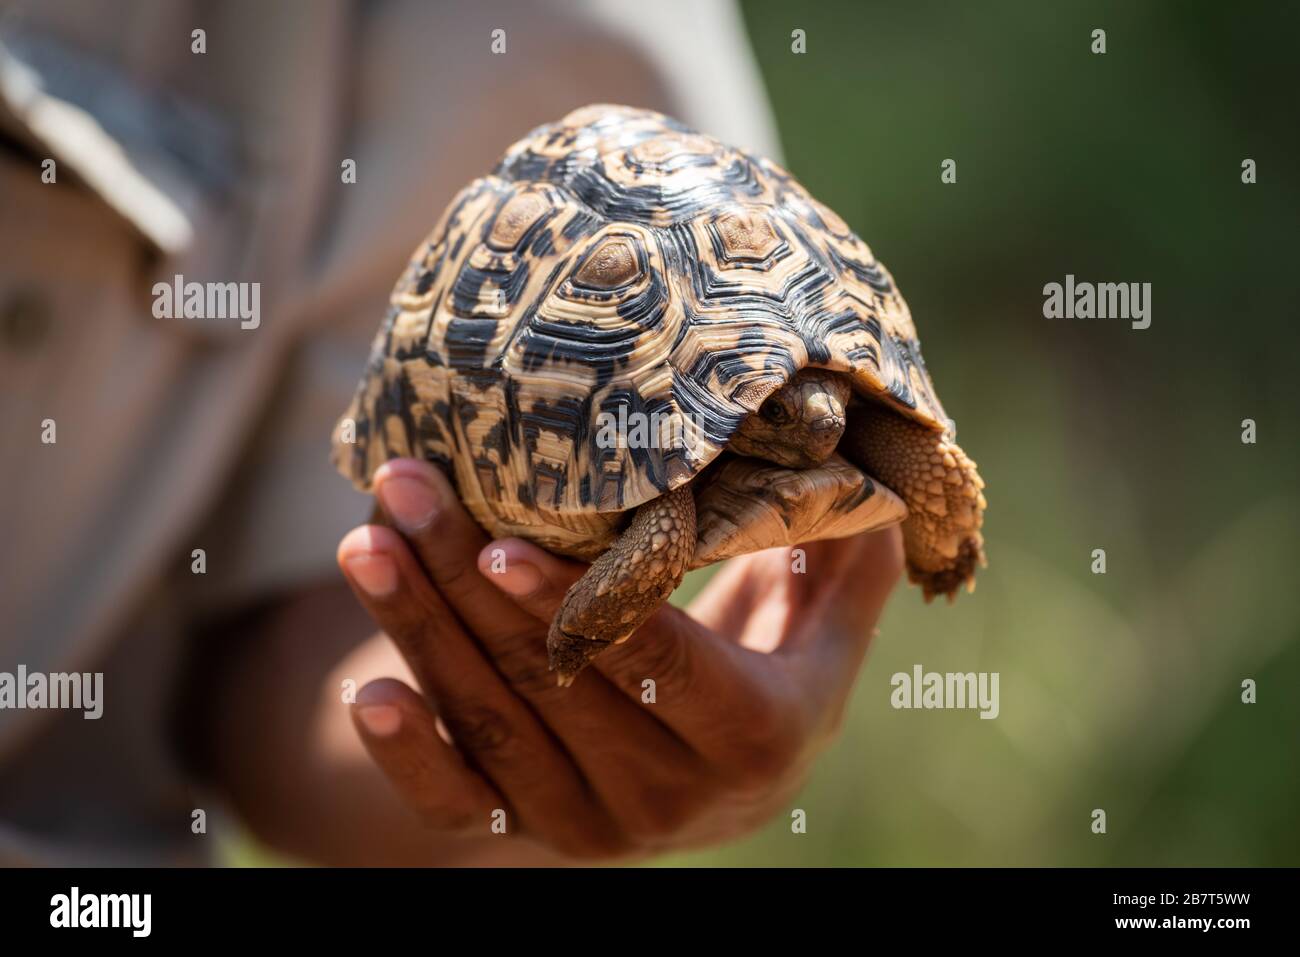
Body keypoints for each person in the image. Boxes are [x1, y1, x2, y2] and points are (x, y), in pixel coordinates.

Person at [0, 0, 903, 865]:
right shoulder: (667, 490)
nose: (820, 428)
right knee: (661, 523)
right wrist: (583, 629)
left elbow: (283, 646)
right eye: (782, 411)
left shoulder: (529, 33)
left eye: (821, 403)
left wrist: (539, 747)